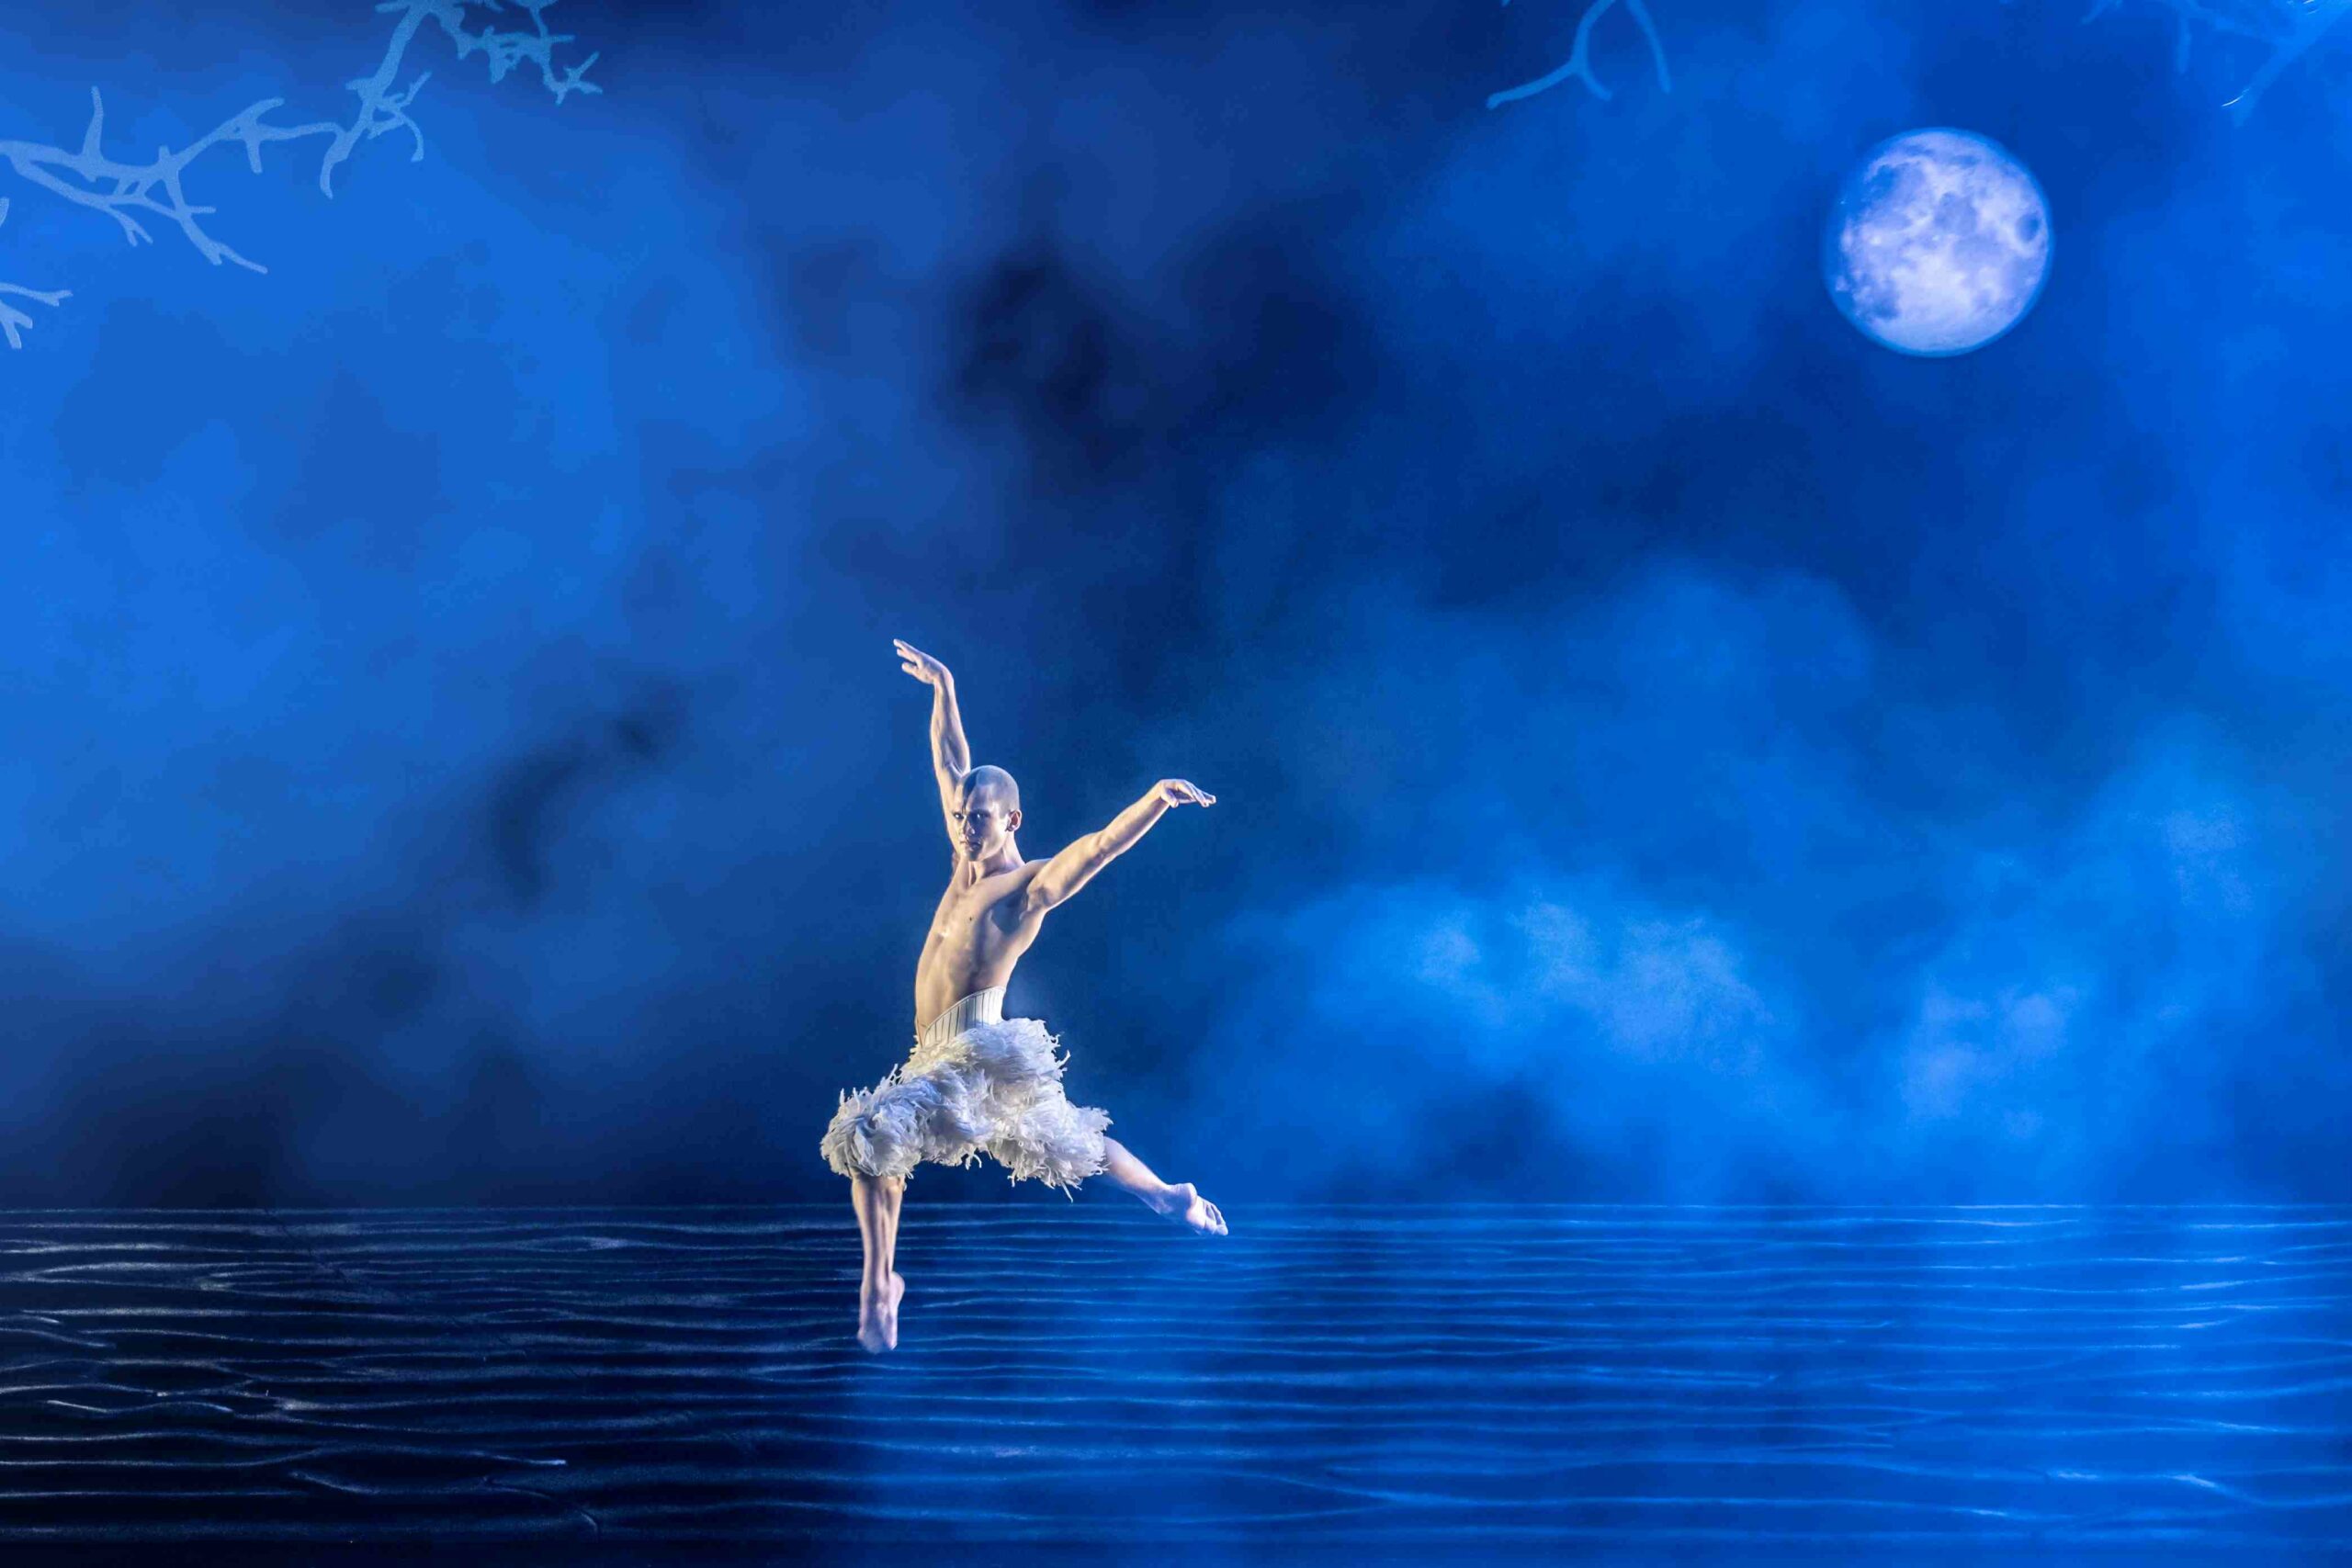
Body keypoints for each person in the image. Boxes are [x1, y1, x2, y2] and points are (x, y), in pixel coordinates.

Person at [820, 638, 1227, 1352]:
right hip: (935, 1051)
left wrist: (1156, 800)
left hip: (975, 1048)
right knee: (1070, 1140)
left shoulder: (1028, 888)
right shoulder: (963, 861)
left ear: (1013, 819)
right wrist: (944, 686)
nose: (964, 825)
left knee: (868, 1137)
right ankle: (1169, 1196)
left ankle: (880, 1289)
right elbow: (951, 761)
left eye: (978, 817)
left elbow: (1096, 846)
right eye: (959, 816)